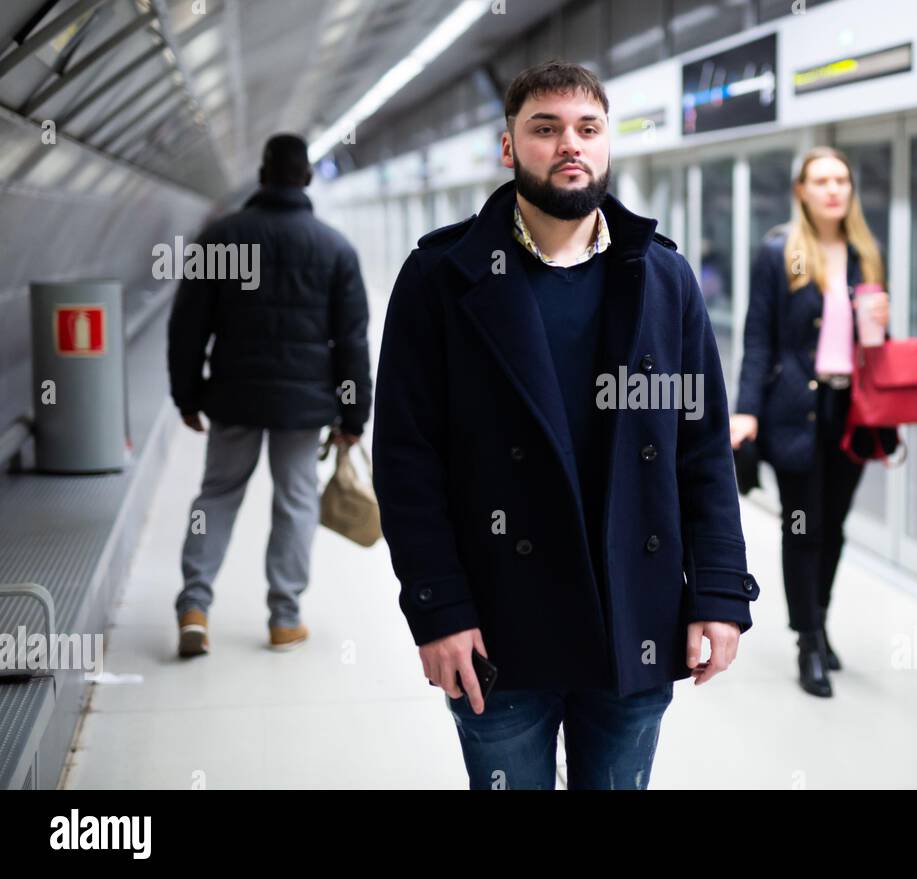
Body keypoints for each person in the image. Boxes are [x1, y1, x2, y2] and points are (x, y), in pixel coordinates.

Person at [371, 61, 758, 790]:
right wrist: (437, 609)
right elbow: (405, 460)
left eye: (587, 128)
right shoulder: (441, 279)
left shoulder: (661, 277)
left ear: (608, 143)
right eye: (545, 129)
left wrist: (718, 592)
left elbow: (702, 450)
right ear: (509, 147)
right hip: (498, 625)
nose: (569, 144)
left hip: (634, 619)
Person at [167, 133, 372, 657]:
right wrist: (355, 414)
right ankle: (284, 618)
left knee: (217, 494)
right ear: (305, 178)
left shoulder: (220, 238)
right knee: (297, 499)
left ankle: (194, 607)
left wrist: (186, 395)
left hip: (233, 395)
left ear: (262, 175)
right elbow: (351, 342)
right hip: (302, 407)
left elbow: (187, 326)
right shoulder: (334, 248)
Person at [731, 146, 889, 698]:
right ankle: (808, 643)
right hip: (794, 411)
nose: (833, 190)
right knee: (804, 526)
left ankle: (818, 621)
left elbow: (873, 345)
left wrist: (881, 329)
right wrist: (745, 410)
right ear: (801, 190)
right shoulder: (781, 253)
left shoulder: (867, 253)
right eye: (821, 180)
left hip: (852, 413)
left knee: (836, 526)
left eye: (841, 180)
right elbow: (758, 336)